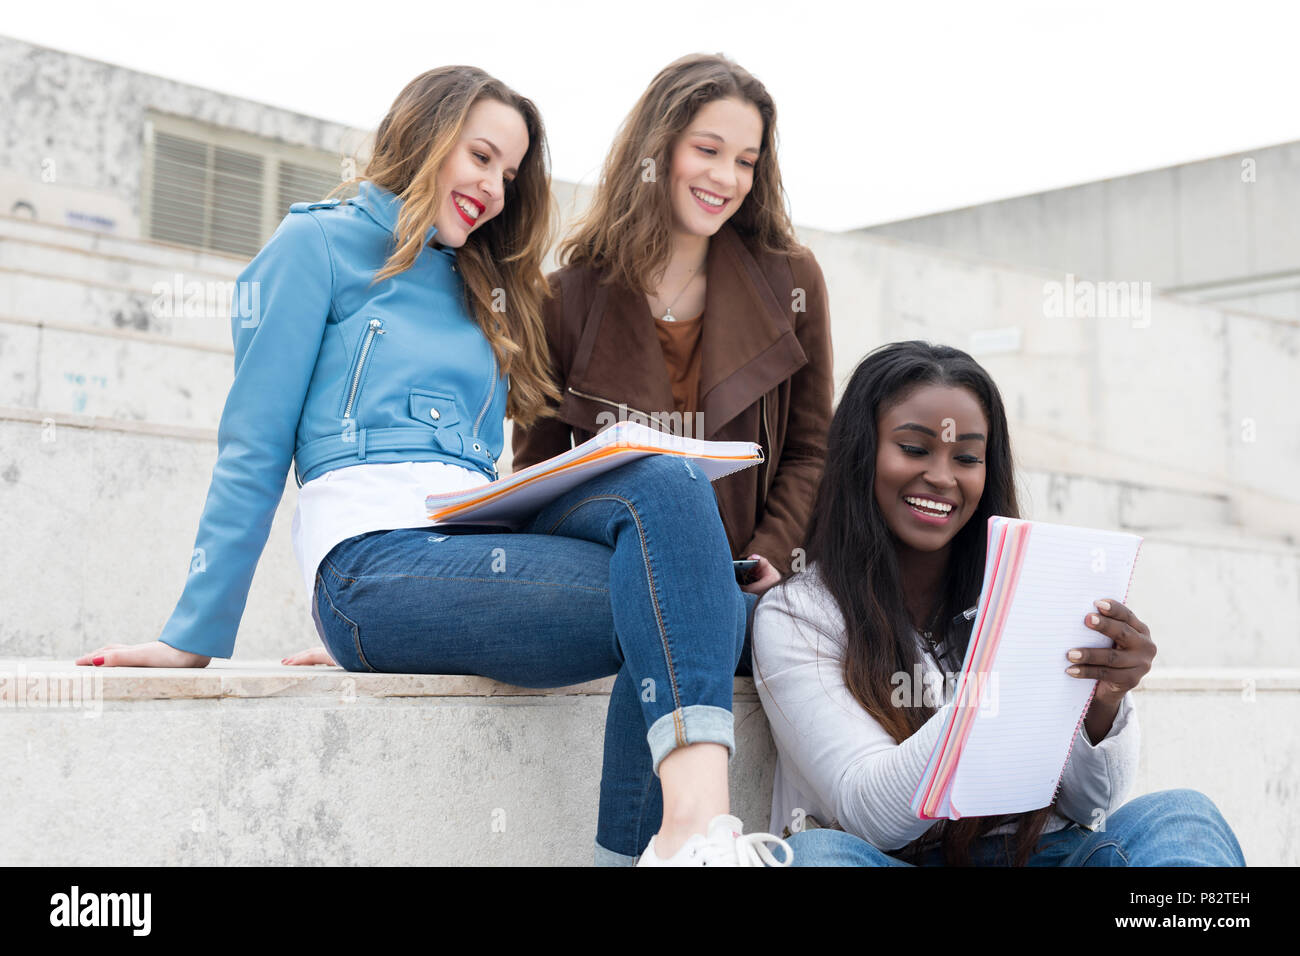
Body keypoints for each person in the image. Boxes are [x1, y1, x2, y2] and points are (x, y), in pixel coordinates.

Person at [75, 65, 790, 867]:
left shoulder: (480, 282)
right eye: (480, 157)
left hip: (468, 541)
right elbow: (253, 447)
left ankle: (683, 837)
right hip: (372, 563)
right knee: (688, 609)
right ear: (426, 134)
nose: (493, 188)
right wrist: (198, 635)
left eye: (510, 175)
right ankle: (695, 837)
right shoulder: (316, 245)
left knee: (670, 492)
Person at [508, 52, 834, 865]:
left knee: (679, 613)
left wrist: (767, 555)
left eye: (747, 161)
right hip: (614, 555)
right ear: (659, 148)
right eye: (707, 149)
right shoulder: (568, 296)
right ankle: (686, 843)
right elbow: (539, 467)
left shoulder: (793, 281)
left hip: (750, 578)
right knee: (660, 595)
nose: (727, 176)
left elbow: (814, 448)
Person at [752, 340, 1246, 866]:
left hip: (1043, 854)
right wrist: (997, 686)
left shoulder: (1027, 586)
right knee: (817, 856)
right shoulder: (799, 616)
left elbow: (1094, 804)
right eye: (915, 449)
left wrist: (1104, 701)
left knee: (1182, 819)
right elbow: (870, 811)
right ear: (861, 453)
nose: (943, 477)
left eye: (967, 457)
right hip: (895, 858)